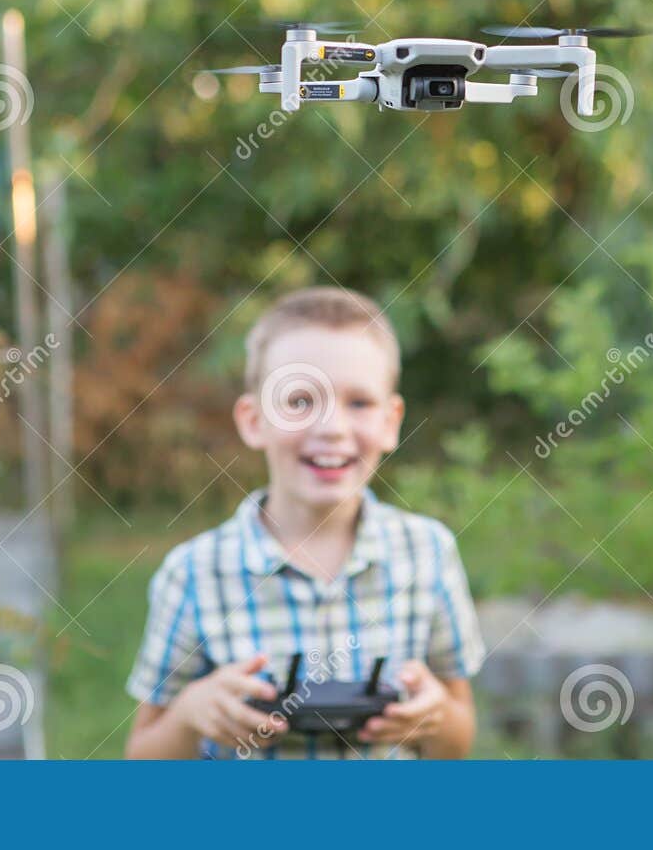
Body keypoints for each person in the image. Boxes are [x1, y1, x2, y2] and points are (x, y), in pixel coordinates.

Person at [124, 286, 485, 759]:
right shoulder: (193, 573)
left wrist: (432, 718)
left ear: (391, 422)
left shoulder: (428, 554)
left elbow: (457, 740)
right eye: (299, 401)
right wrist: (192, 712)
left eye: (359, 403)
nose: (332, 427)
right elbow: (142, 757)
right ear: (254, 421)